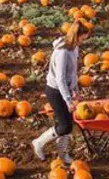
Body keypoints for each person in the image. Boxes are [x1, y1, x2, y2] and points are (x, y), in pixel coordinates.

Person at [32, 19, 91, 162]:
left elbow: (73, 72)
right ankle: (38, 142)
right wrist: (68, 100)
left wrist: (75, 89)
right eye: (83, 38)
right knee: (64, 126)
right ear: (76, 36)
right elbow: (60, 79)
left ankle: (63, 154)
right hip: (55, 90)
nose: (83, 41)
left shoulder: (74, 47)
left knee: (67, 124)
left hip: (65, 90)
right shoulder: (62, 52)